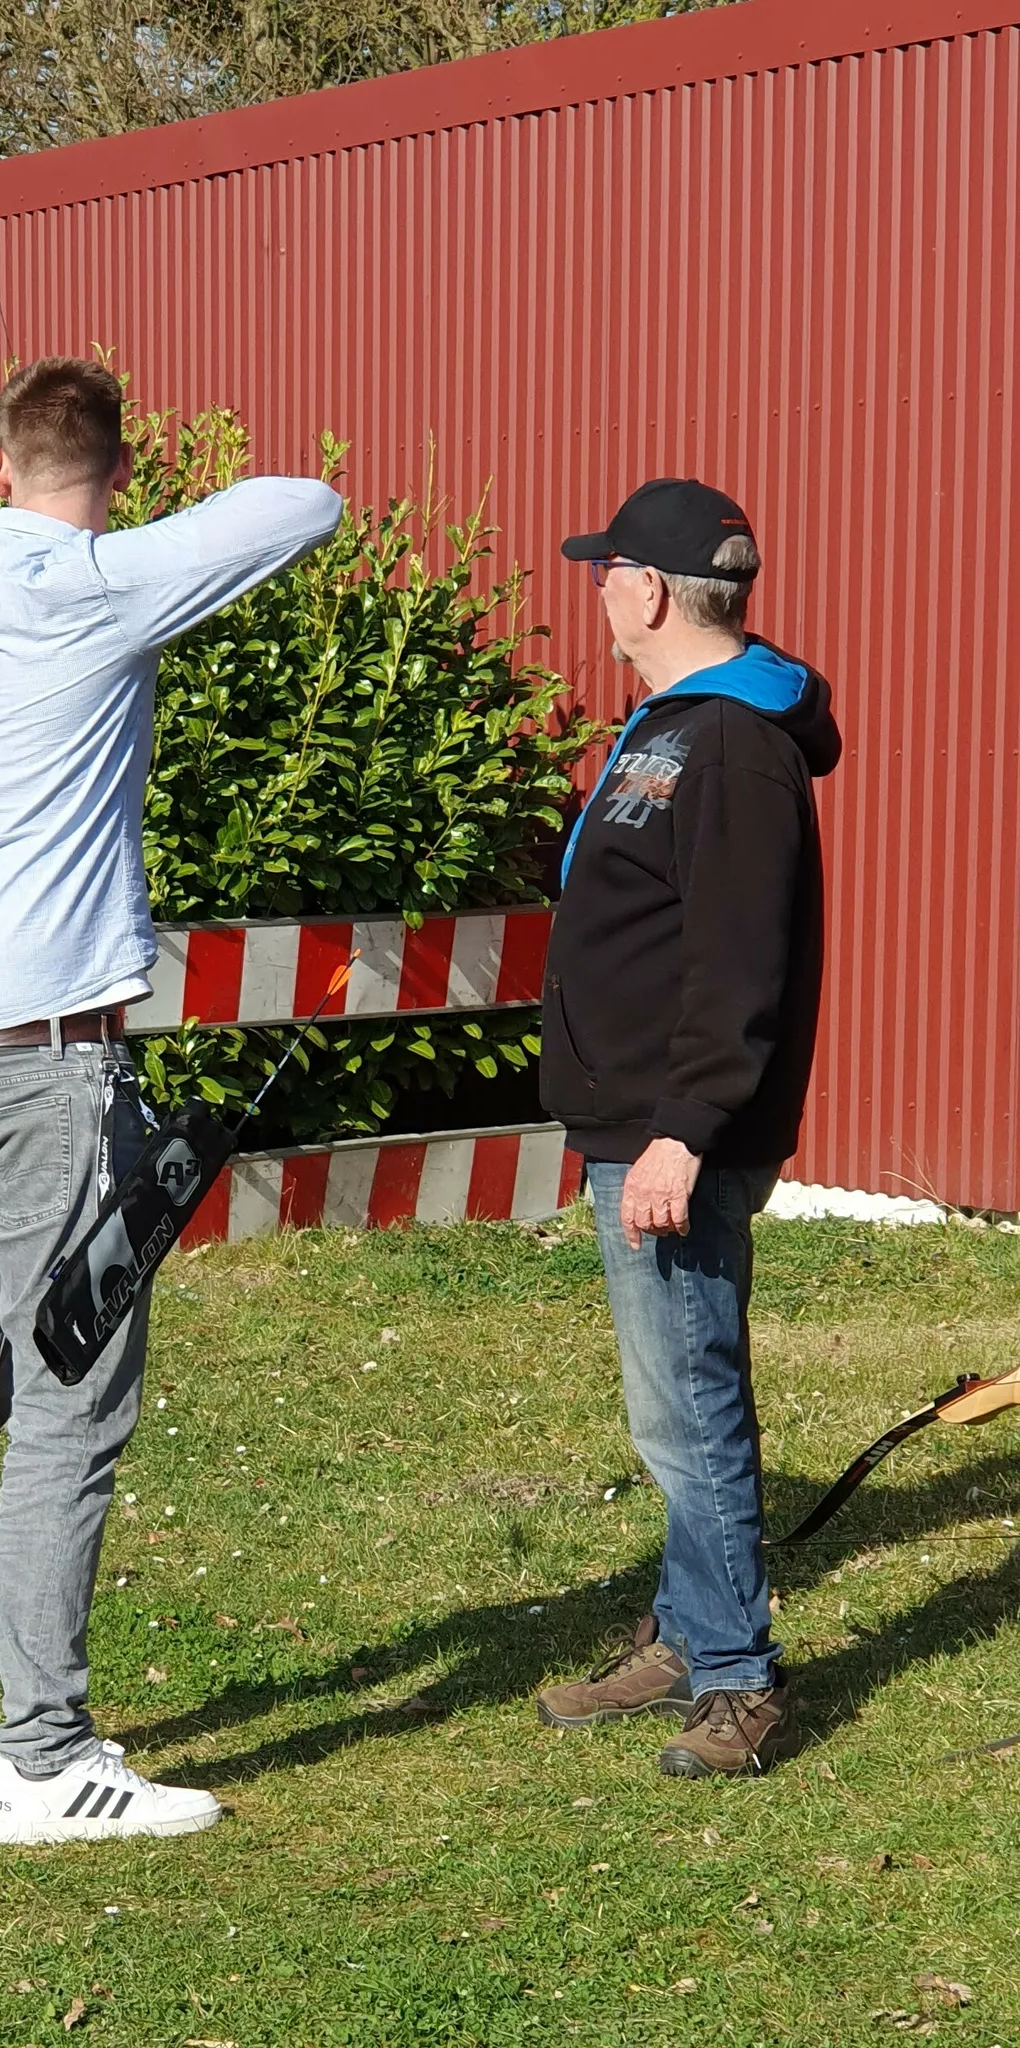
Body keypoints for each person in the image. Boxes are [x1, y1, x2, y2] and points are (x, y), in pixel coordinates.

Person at [0, 357, 342, 1843]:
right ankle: (40, 1764)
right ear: (120, 463)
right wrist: (117, 545)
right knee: (68, 1407)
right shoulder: (109, 585)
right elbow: (310, 501)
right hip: (45, 1068)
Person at [535, 478, 841, 1777]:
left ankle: (736, 1677)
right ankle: (686, 1632)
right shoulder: (673, 726)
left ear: (652, 591)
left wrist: (683, 1129)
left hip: (674, 1134)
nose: (597, 585)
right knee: (673, 1393)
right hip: (638, 1117)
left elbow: (736, 961)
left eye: (605, 568)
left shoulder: (732, 743)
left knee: (689, 1403)